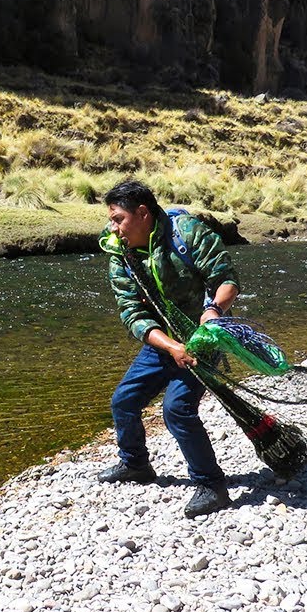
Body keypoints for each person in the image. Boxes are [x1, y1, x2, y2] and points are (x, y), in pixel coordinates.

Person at [97, 179, 241, 518]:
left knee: (177, 409)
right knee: (124, 402)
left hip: (202, 340)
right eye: (111, 220)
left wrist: (213, 311)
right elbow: (132, 313)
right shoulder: (119, 250)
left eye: (118, 219)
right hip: (162, 341)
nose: (113, 227)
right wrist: (171, 345)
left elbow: (226, 279)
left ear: (142, 213)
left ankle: (212, 486)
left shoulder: (187, 233)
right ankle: (136, 465)